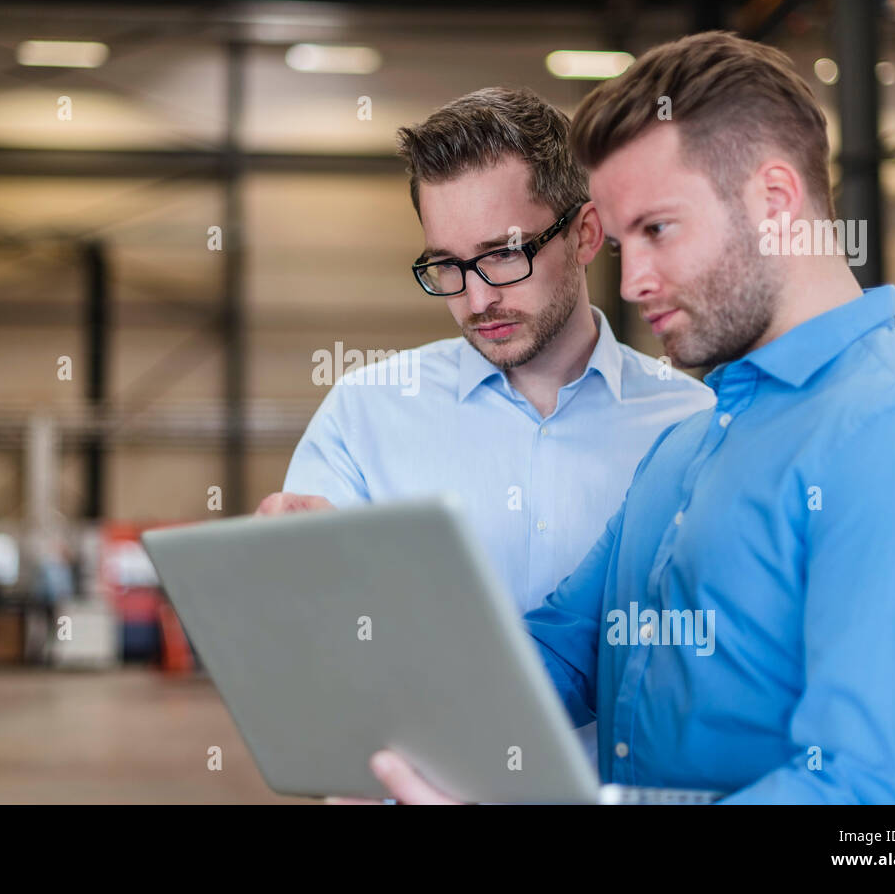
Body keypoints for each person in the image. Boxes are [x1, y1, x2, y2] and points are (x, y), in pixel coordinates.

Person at [367, 31, 895, 804]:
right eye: (620, 236)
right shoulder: (688, 443)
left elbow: (876, 806)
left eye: (658, 230)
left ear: (775, 201)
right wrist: (382, 697)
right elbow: (568, 651)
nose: (632, 281)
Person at [258, 86, 712, 623]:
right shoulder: (363, 417)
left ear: (586, 235)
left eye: (503, 254)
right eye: (447, 264)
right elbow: (312, 633)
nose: (477, 300)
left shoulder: (693, 425)